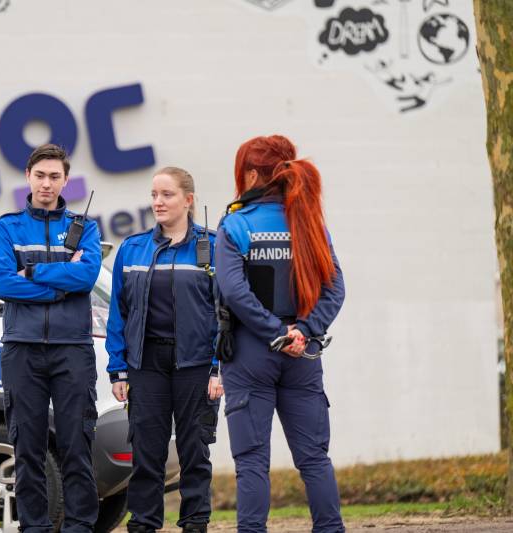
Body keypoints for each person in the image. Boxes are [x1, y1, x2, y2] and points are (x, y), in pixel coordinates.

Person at [215, 135, 346, 533]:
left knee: (252, 461)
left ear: (252, 174)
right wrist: (302, 331)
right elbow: (335, 288)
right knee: (314, 458)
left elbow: (234, 292)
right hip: (303, 356)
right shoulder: (309, 224)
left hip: (251, 352)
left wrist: (276, 333)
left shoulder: (235, 225)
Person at [0, 144, 103, 533]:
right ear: (28, 176)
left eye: (55, 177)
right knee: (27, 450)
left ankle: (79, 527)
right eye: (40, 175)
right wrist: (58, 285)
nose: (47, 183)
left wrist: (32, 273)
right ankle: (33, 528)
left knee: (76, 447)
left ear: (66, 181)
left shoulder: (86, 228)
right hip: (22, 350)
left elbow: (85, 278)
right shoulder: (7, 227)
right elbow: (3, 283)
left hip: (73, 350)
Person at [106, 167, 223, 533]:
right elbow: (118, 313)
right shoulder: (132, 248)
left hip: (196, 364)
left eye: (167, 194)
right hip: (146, 364)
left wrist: (219, 367)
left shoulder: (214, 248)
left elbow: (226, 314)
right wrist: (118, 368)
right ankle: (143, 524)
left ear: (188, 200)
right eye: (154, 194)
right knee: (146, 453)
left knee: (194, 452)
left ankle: (194, 523)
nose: (158, 201)